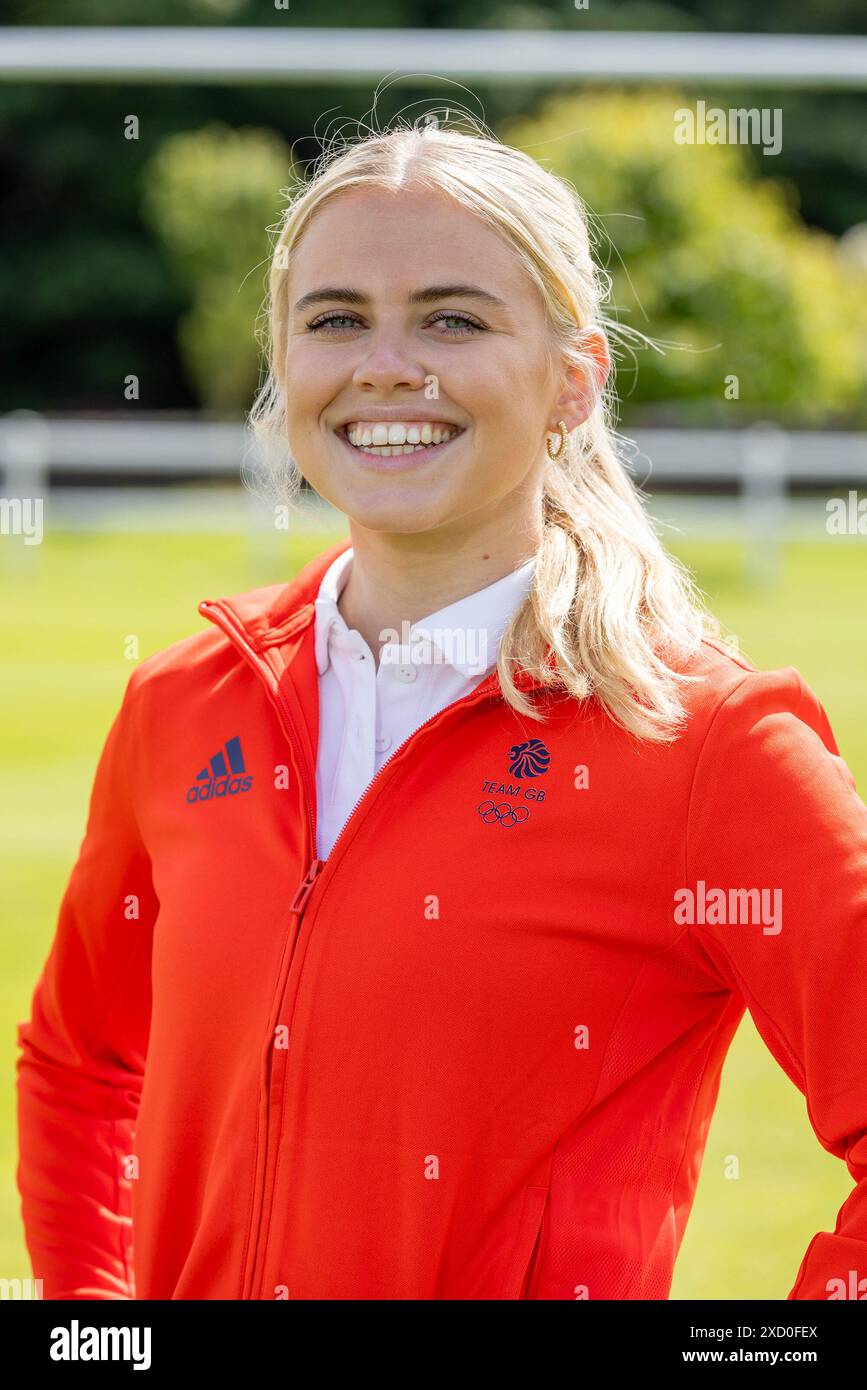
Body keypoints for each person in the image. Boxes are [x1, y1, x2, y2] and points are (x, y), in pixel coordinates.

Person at [16, 118, 867, 1301]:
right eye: (336, 320)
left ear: (574, 378)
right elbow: (80, 1059)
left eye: (453, 319)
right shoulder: (183, 701)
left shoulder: (711, 745)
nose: (386, 366)